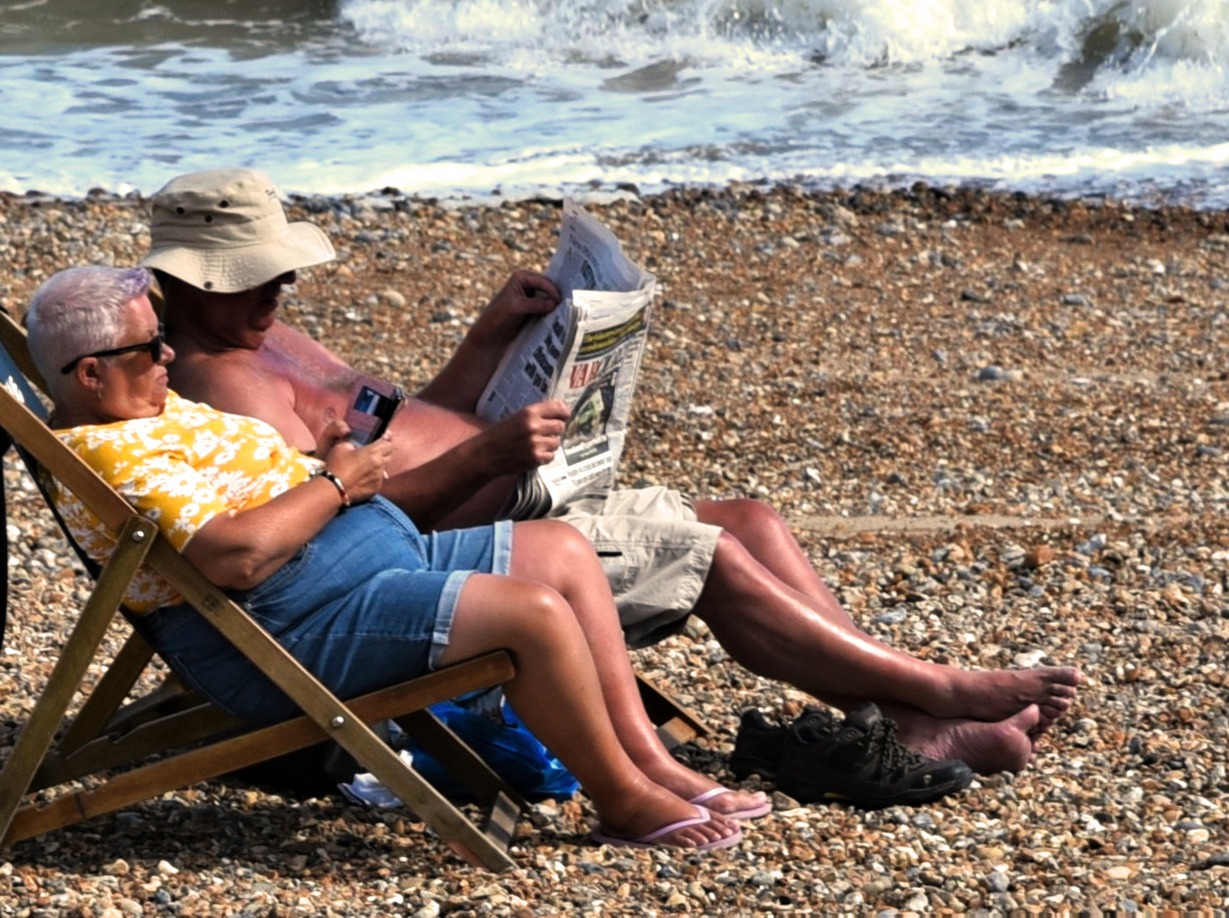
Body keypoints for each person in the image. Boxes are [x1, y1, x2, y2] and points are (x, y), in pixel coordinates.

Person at [143, 169, 1082, 774]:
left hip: (514, 488)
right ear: (188, 282)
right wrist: (490, 455)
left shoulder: (265, 338)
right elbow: (343, 529)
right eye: (253, 277)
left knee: (746, 516)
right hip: (453, 557)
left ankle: (900, 713)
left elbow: (402, 424)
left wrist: (493, 338)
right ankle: (934, 693)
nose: (277, 290)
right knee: (703, 550)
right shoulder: (215, 386)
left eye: (278, 273)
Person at [25, 264, 762, 852]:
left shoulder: (142, 407)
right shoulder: (109, 451)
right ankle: (623, 802)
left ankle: (651, 762)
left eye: (162, 339)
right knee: (531, 614)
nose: (168, 356)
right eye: (148, 348)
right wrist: (341, 484)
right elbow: (238, 556)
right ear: (88, 375)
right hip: (279, 627)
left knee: (563, 551)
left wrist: (334, 465)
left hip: (343, 570)